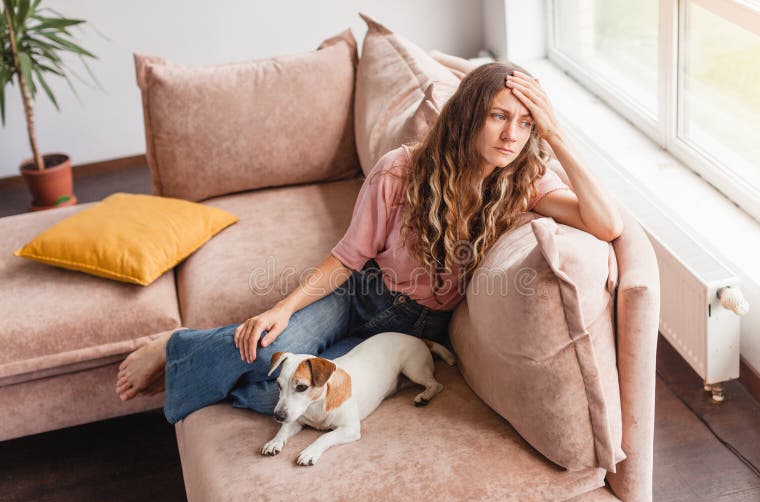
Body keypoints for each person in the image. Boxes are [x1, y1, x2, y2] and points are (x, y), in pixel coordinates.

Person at [115, 62, 623, 423]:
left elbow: (606, 224)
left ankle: (196, 354)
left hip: (419, 327)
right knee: (281, 345)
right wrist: (283, 307)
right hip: (362, 293)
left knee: (312, 397)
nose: (513, 134)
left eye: (526, 123)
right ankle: (178, 345)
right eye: (498, 115)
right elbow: (347, 256)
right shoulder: (400, 170)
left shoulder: (524, 181)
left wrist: (556, 135)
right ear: (469, 115)